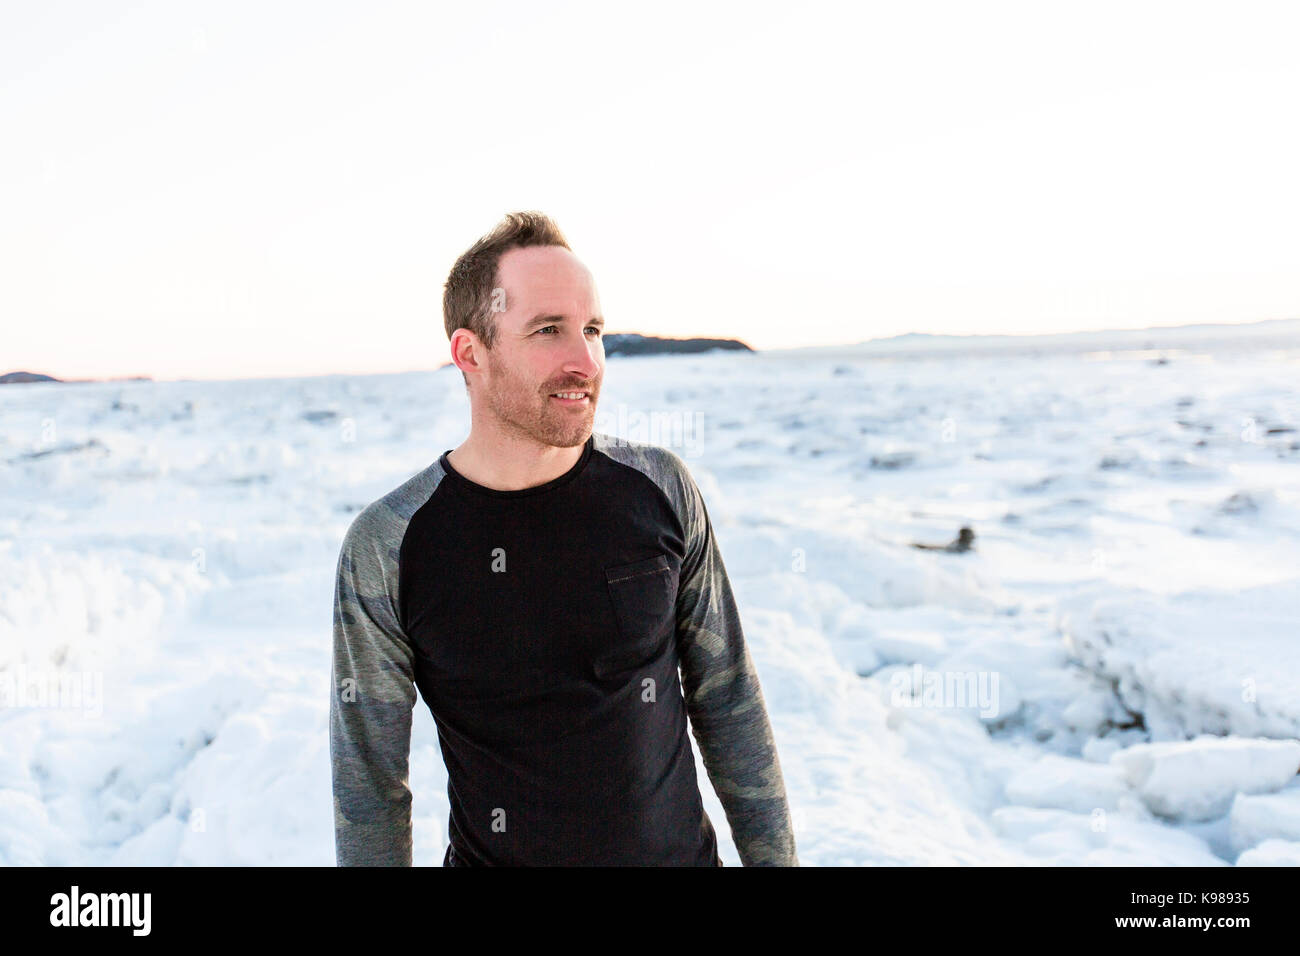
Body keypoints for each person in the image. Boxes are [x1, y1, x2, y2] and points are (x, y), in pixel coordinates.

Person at [329, 211, 798, 866]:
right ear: (471, 352)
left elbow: (728, 698)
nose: (586, 361)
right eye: (549, 331)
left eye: (594, 330)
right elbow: (370, 787)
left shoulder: (659, 488)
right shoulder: (390, 544)